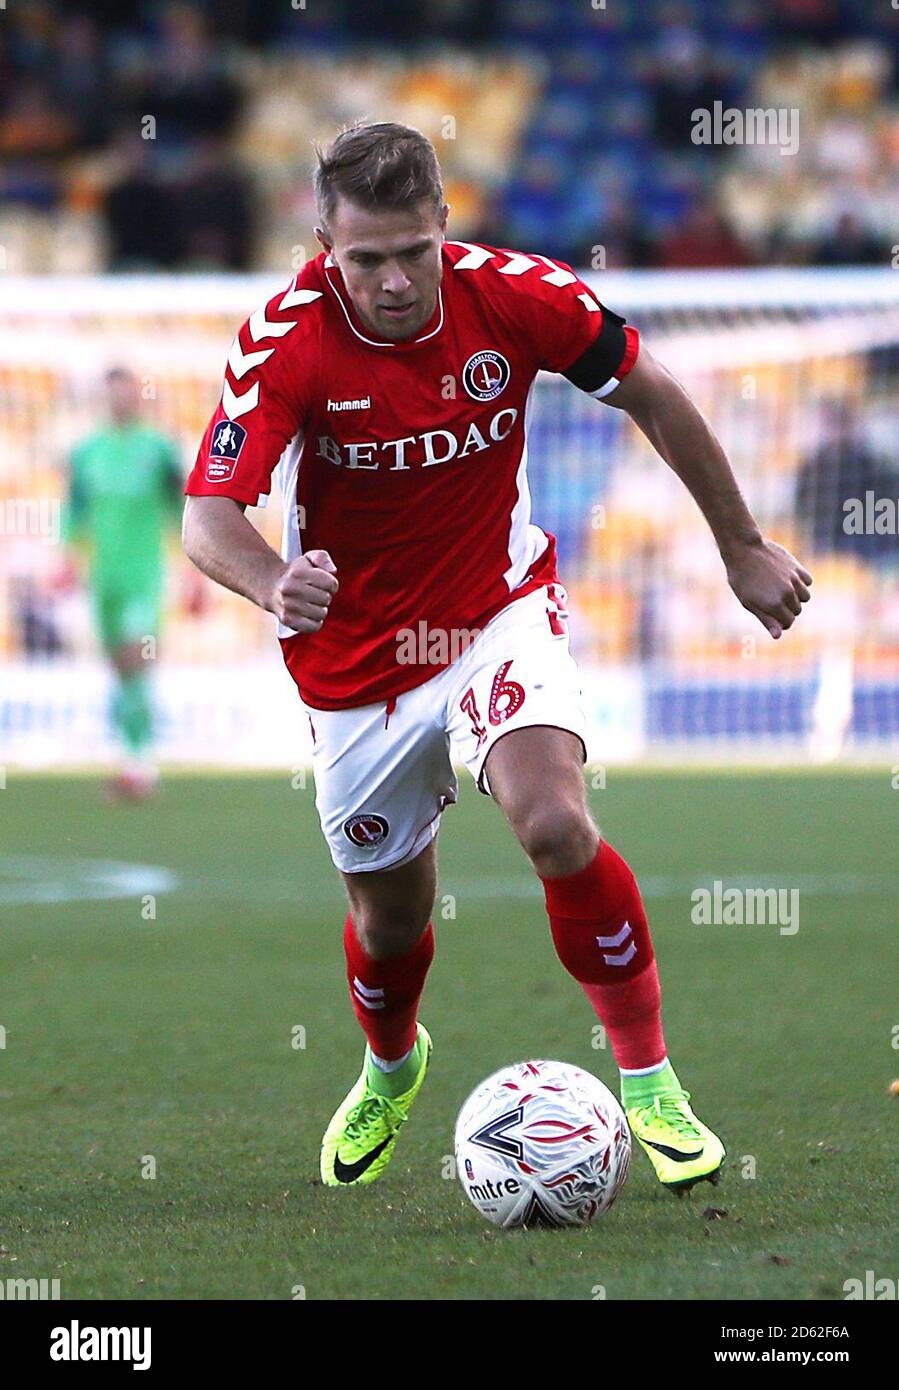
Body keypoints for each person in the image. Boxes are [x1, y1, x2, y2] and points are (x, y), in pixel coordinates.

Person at [182, 122, 812, 1193]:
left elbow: (650, 389)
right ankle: (392, 1065)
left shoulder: (517, 294)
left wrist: (741, 548)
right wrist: (267, 582)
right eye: (362, 259)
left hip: (494, 614)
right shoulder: (284, 339)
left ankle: (650, 1082)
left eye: (410, 252)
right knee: (389, 917)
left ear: (442, 223)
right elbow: (208, 517)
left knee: (556, 821)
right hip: (353, 665)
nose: (390, 281)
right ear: (322, 243)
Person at [65, 367, 182, 797]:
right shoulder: (86, 452)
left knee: (137, 657)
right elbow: (75, 511)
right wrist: (68, 558)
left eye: (127, 393)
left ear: (138, 397)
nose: (121, 401)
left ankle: (140, 764)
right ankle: (131, 756)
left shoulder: (159, 450)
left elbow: (182, 507)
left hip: (145, 574)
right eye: (112, 393)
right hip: (103, 577)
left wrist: (193, 572)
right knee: (119, 668)